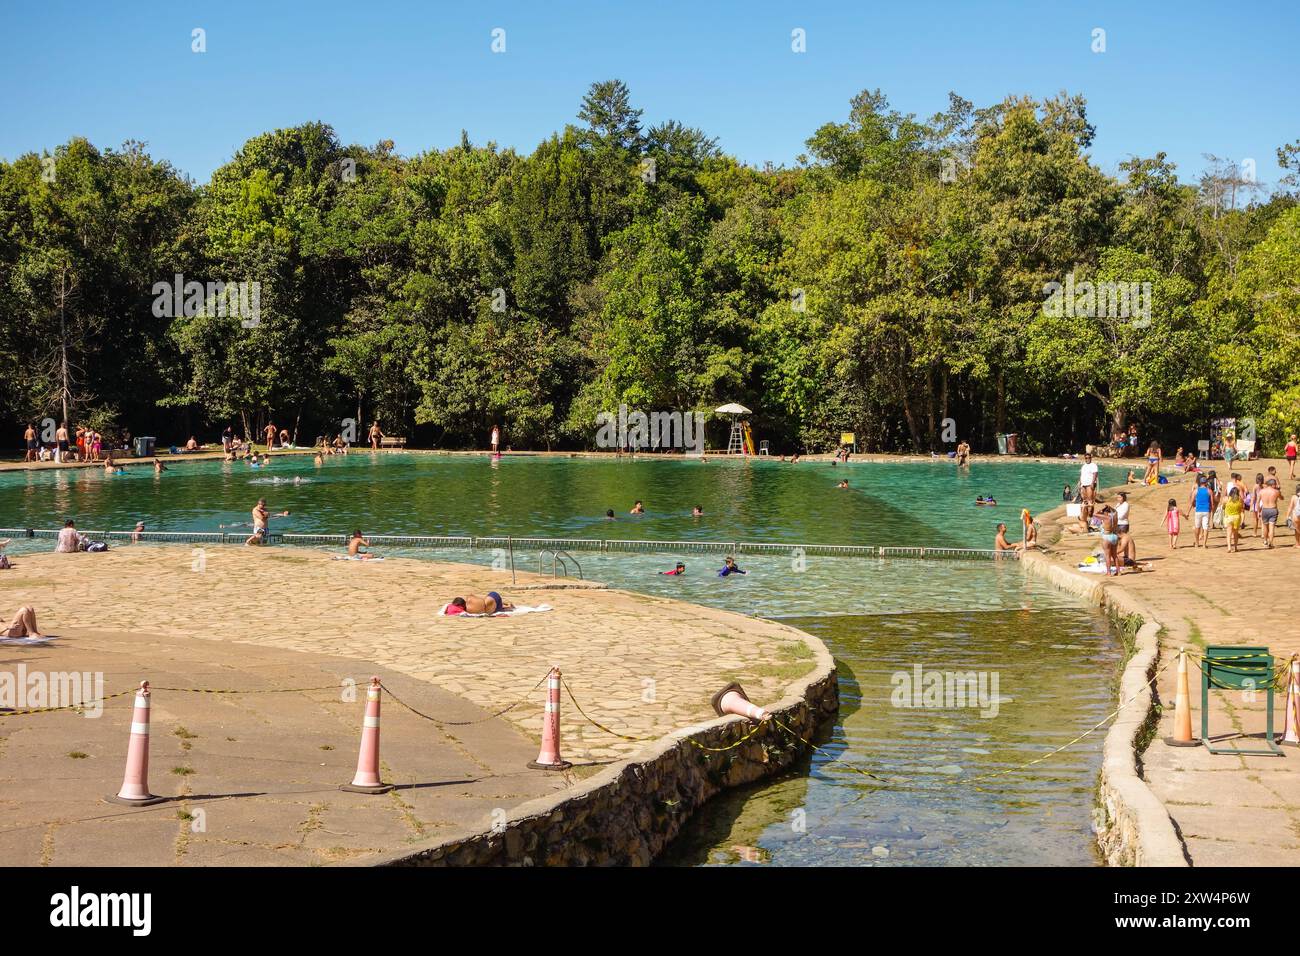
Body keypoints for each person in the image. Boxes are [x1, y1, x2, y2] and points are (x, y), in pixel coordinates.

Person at [1186, 475, 1214, 549]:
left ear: (1200, 482)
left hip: (1198, 511)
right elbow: (1212, 503)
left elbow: (1191, 502)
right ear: (1205, 483)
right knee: (1205, 527)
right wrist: (1211, 511)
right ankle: (1204, 544)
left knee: (1197, 527)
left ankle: (1197, 543)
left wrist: (1188, 513)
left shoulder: (1196, 491)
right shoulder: (1209, 491)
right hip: (1206, 511)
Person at [1258, 478, 1283, 549]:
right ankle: (1271, 543)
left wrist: (1259, 511)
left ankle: (1265, 541)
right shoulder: (1276, 492)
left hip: (1265, 509)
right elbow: (1281, 498)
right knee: (1271, 527)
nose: (1276, 486)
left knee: (1265, 526)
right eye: (1275, 484)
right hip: (1273, 509)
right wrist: (1279, 492)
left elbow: (1258, 502)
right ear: (1272, 484)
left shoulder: (1262, 491)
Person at [445, 593, 513, 615]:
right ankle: (507, 603)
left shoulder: (467, 611)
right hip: (492, 596)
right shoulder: (469, 597)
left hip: (494, 607)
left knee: (502, 608)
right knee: (484, 600)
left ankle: (508, 605)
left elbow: (449, 611)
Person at [1223, 487, 1245, 553]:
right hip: (1237, 517)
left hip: (1228, 517)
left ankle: (1229, 547)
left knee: (1229, 533)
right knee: (1235, 533)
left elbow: (1223, 507)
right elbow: (1242, 510)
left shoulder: (1226, 499)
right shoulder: (1240, 499)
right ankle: (1235, 547)